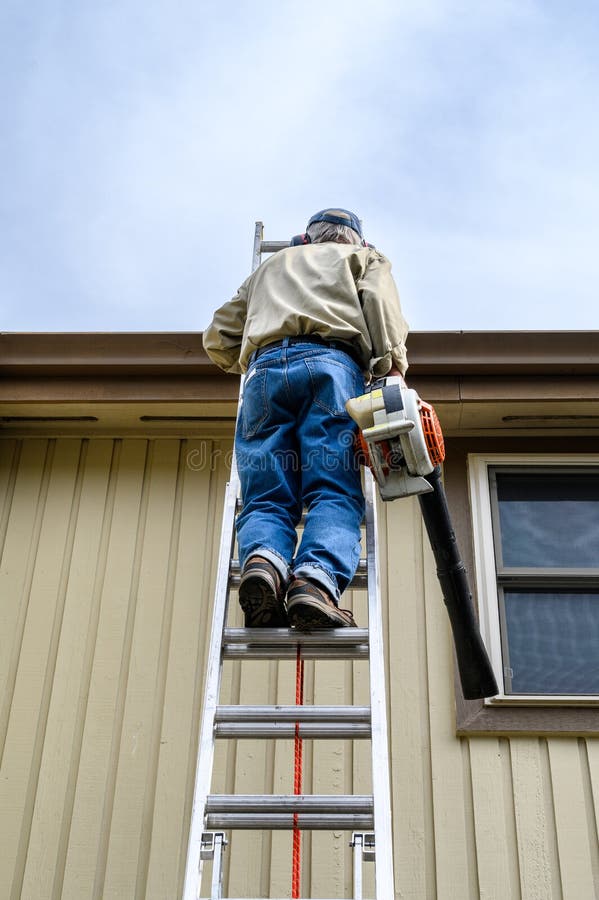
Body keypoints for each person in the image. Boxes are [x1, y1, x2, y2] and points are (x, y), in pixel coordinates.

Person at [203, 208, 409, 629]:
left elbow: (217, 336)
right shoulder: (365, 259)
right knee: (333, 488)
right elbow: (381, 307)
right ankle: (314, 581)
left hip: (262, 375)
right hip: (331, 367)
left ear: (304, 239)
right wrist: (392, 366)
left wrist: (249, 356)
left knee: (265, 493)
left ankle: (264, 561)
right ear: (357, 239)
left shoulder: (271, 268)